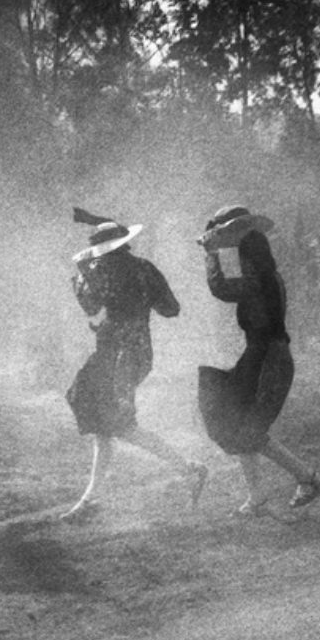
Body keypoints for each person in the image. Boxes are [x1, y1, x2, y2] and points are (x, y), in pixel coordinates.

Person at [62, 208, 206, 521]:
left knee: (117, 424)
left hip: (118, 353)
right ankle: (91, 500)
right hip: (131, 351)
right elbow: (171, 309)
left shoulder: (101, 270)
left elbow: (90, 307)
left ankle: (189, 469)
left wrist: (83, 274)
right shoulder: (143, 269)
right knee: (107, 424)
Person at [195, 205, 320, 517]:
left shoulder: (259, 279)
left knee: (246, 429)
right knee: (238, 424)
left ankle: (303, 481)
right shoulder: (268, 277)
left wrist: (212, 255)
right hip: (264, 356)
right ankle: (266, 495)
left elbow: (222, 288)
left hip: (269, 358)